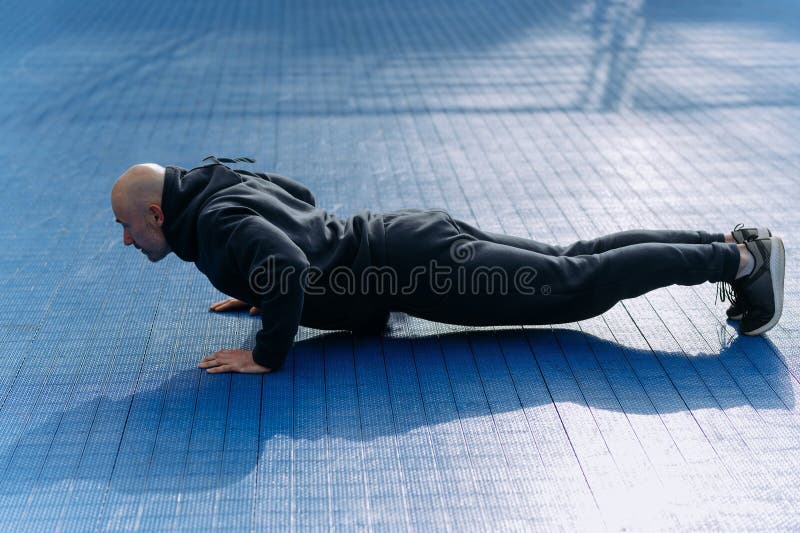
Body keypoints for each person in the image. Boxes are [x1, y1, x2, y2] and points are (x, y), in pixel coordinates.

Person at [110, 157, 785, 374]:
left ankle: (740, 257)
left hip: (422, 268)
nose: (125, 240)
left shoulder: (216, 223)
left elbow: (285, 259)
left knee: (576, 284)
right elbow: (301, 203)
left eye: (127, 226)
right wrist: (262, 287)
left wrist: (268, 350)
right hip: (409, 236)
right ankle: (729, 242)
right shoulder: (216, 184)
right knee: (572, 260)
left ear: (157, 214)